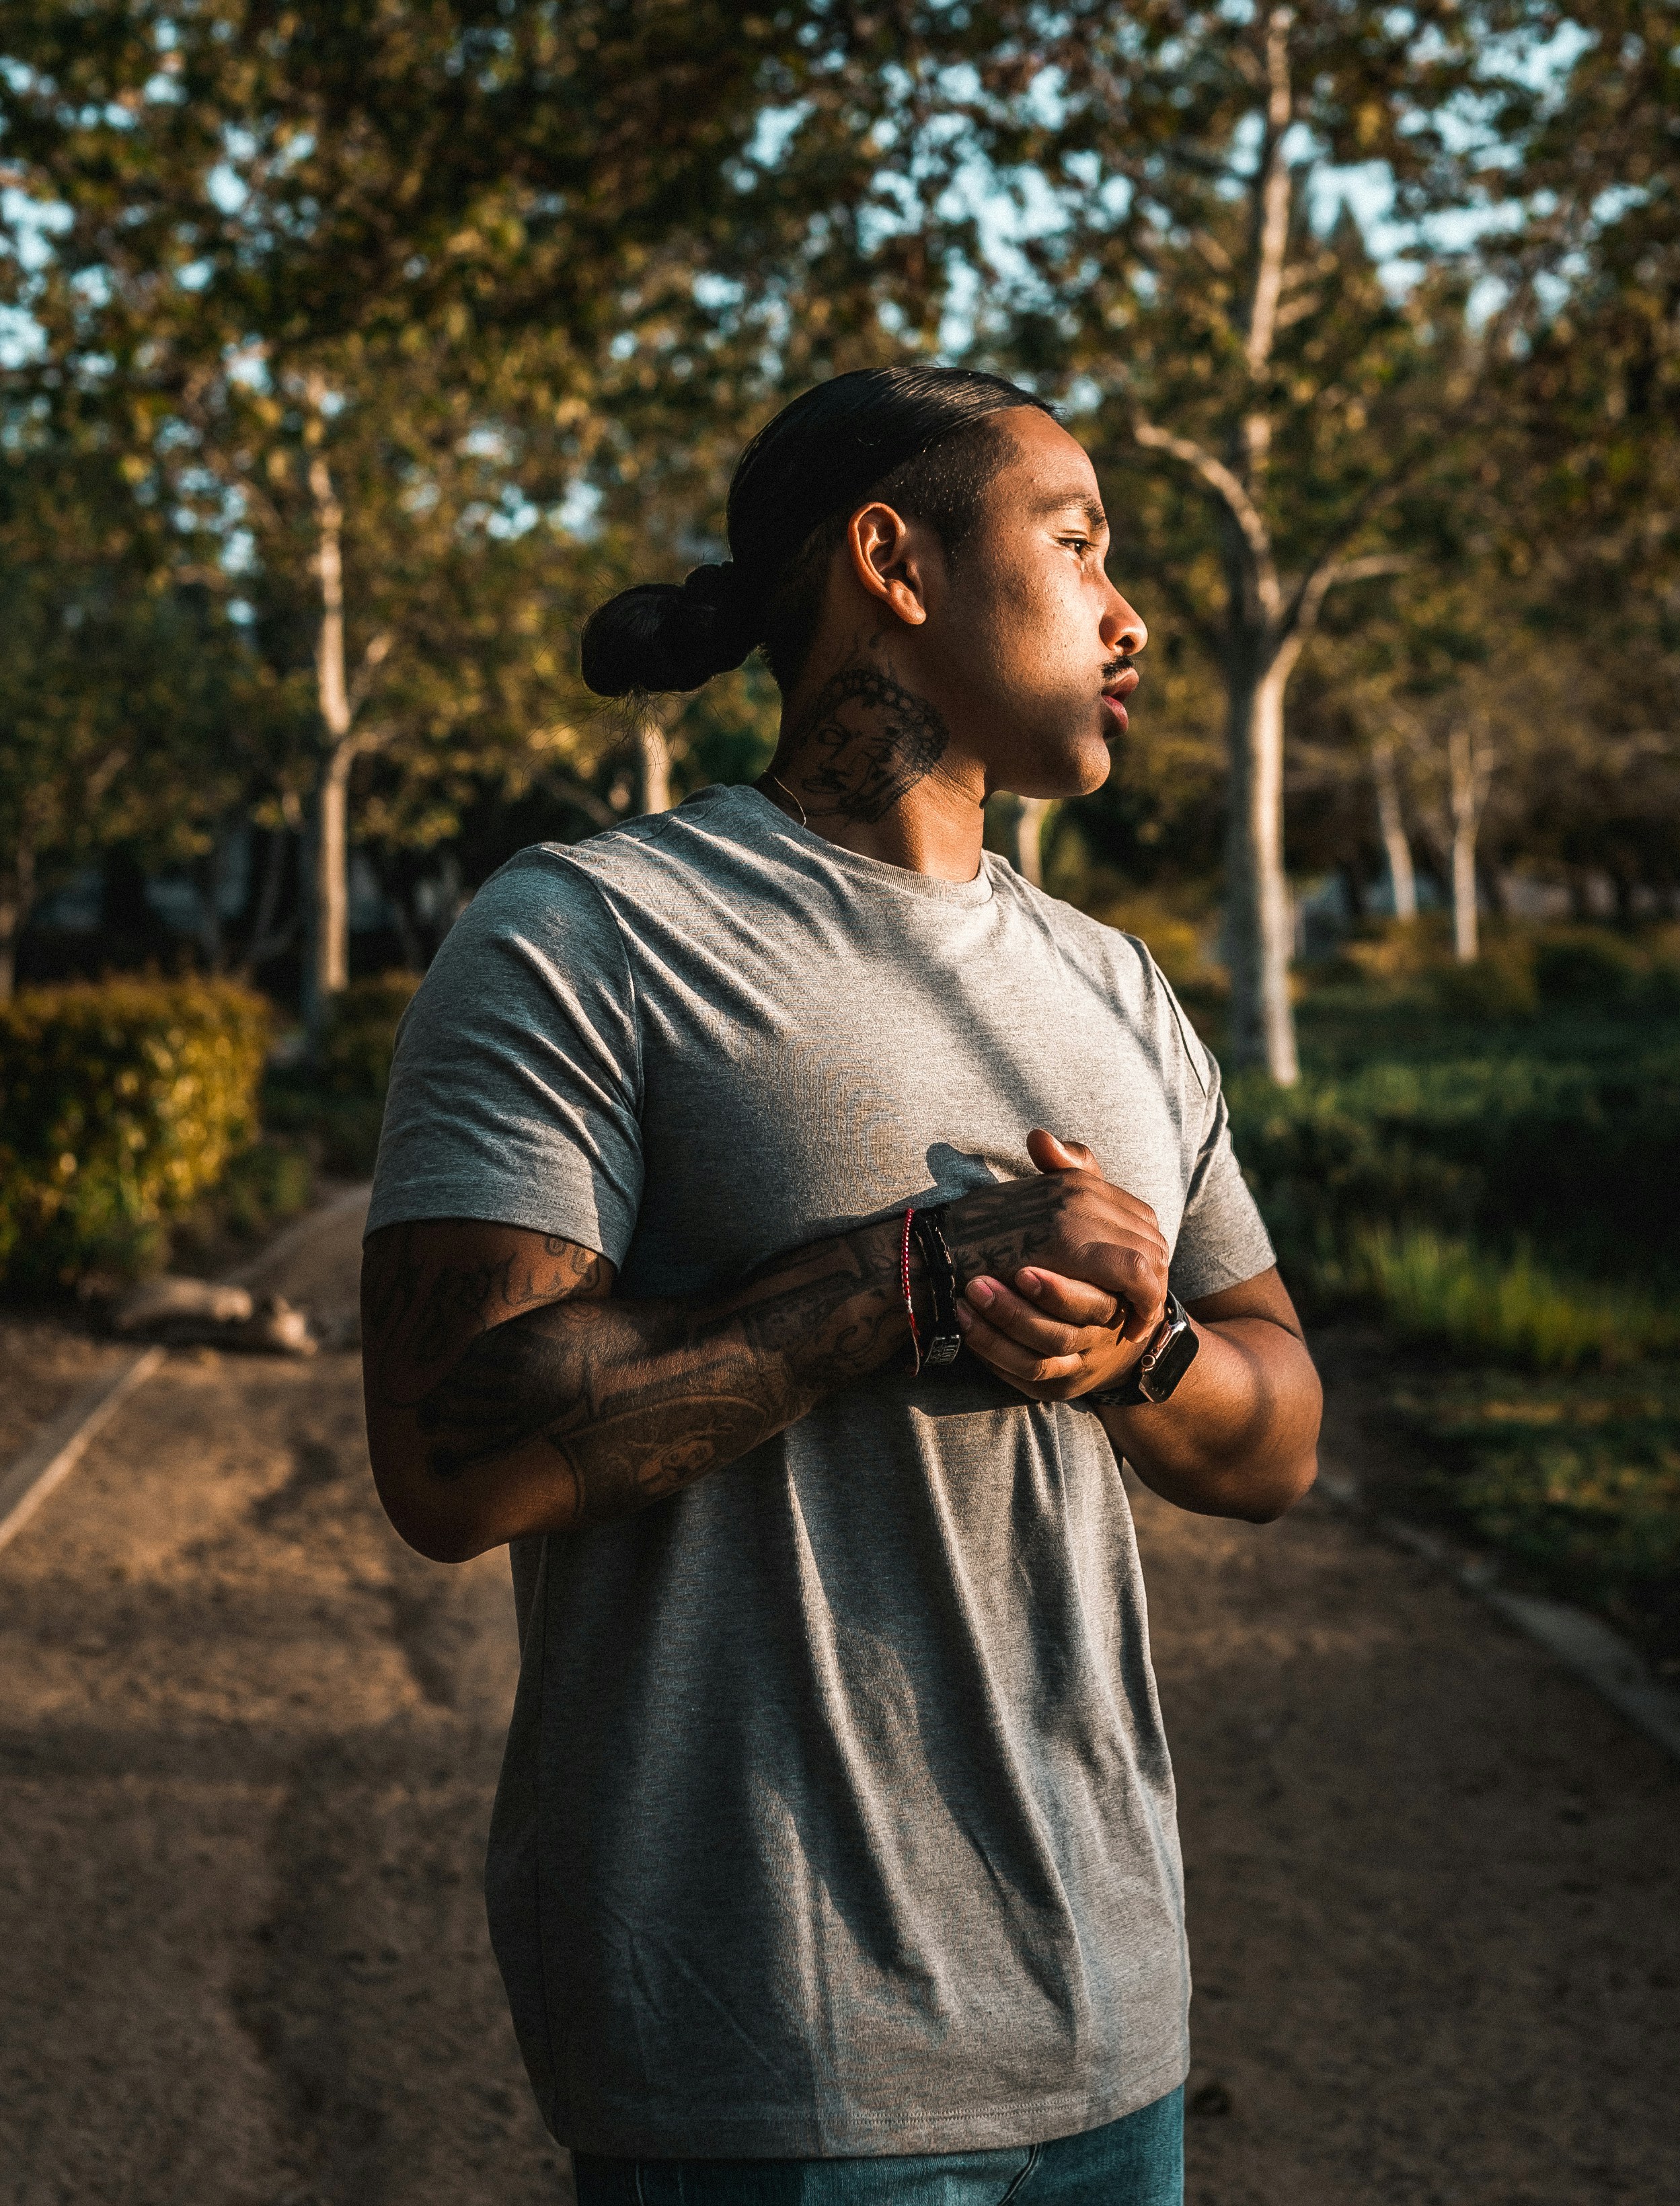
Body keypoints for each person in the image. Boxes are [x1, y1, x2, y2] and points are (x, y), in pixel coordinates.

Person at [360, 365, 1322, 2205]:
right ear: (895, 560)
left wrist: (1147, 1351)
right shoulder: (590, 938)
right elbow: (446, 1459)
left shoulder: (1117, 987)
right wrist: (885, 1290)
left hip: (1113, 2030)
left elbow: (1275, 1438)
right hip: (769, 2063)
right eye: (1075, 543)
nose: (1126, 613)